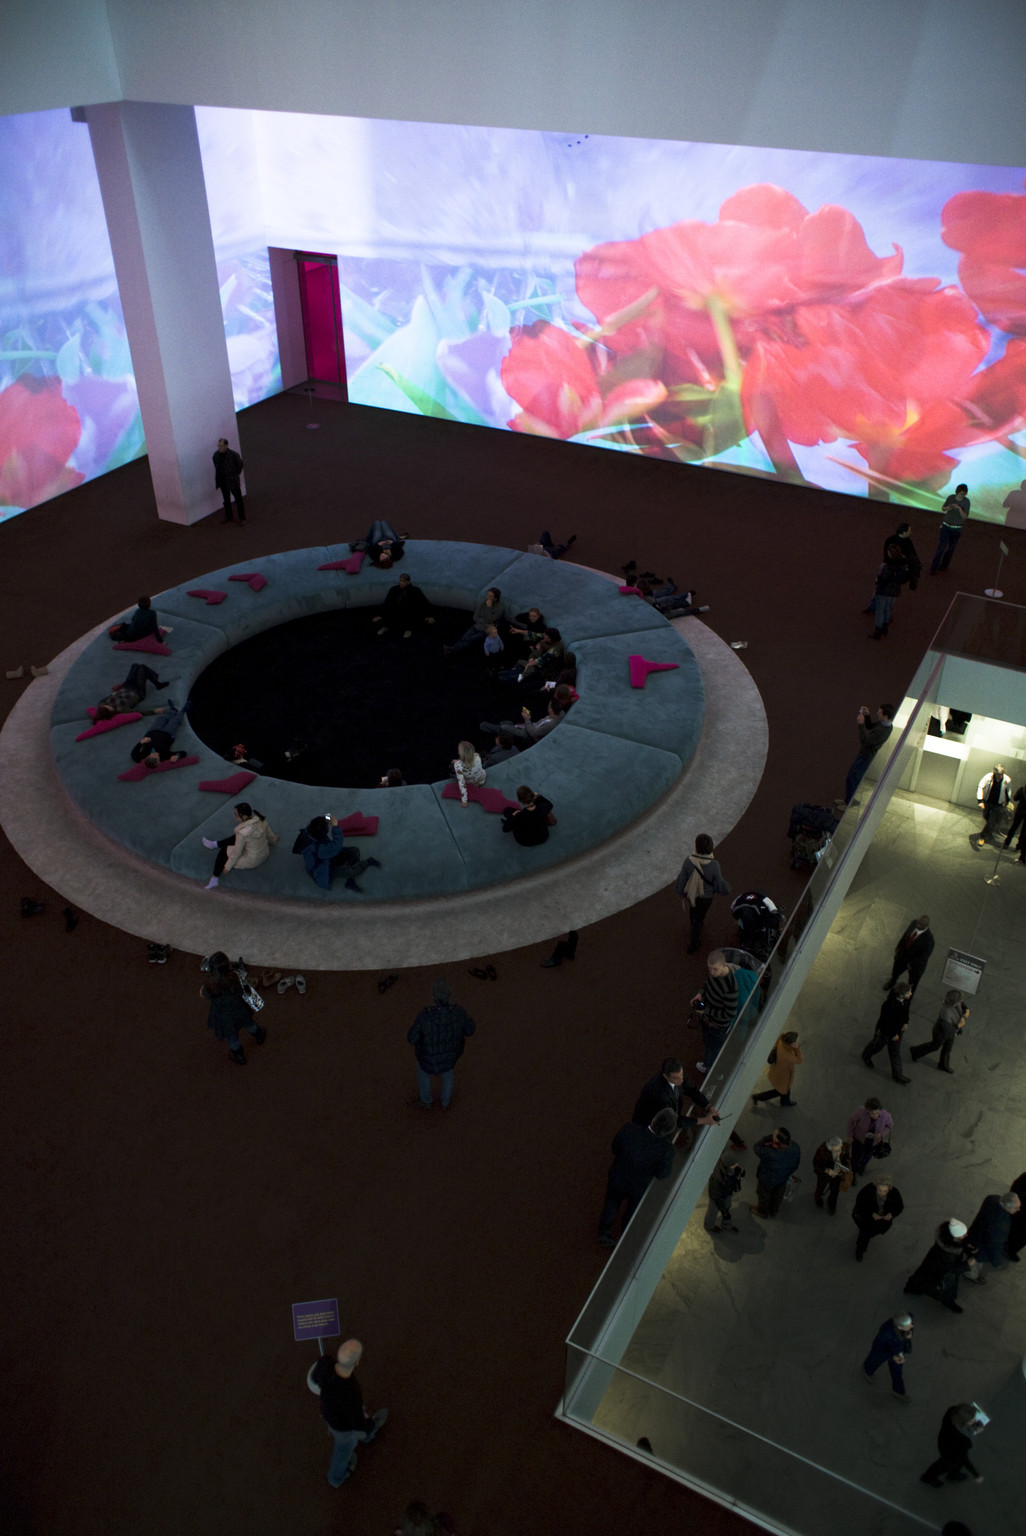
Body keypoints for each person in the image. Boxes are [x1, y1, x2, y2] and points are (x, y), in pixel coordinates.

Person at [307, 1338, 388, 1489]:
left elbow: (315, 1376)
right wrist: (368, 1425)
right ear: (356, 1362)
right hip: (344, 1429)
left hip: (332, 1418)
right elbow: (357, 1422)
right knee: (343, 1451)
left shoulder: (325, 1365)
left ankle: (368, 1435)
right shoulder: (349, 1393)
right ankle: (336, 1478)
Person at [597, 1108, 676, 1247]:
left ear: (654, 1119)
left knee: (611, 1205)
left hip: (617, 1178)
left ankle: (603, 1232)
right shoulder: (666, 1150)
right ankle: (624, 1238)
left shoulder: (630, 1129)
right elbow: (662, 1174)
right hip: (638, 1188)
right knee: (631, 1213)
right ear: (668, 1132)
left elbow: (615, 1148)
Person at [407, 979, 475, 1109]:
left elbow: (411, 1038)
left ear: (434, 996)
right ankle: (445, 1102)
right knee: (448, 1073)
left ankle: (426, 1100)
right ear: (449, 994)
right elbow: (470, 1030)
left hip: (427, 1059)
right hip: (451, 1057)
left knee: (423, 1072)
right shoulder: (458, 1012)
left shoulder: (424, 1016)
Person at [201, 950, 265, 1065]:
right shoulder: (234, 977)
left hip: (222, 1014)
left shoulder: (210, 984)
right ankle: (259, 1035)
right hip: (238, 1008)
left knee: (231, 1036)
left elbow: (203, 994)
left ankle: (239, 1056)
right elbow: (241, 991)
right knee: (249, 1023)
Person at [292, 814, 381, 892]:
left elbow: (324, 819)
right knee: (351, 871)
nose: (328, 827)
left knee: (354, 851)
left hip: (326, 858)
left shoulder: (311, 830)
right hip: (323, 869)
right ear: (322, 832)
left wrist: (329, 818)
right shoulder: (318, 849)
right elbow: (336, 846)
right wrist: (335, 827)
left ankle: (350, 879)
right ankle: (368, 862)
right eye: (327, 828)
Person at [674, 833, 731, 954]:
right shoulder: (714, 865)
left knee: (693, 911)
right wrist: (726, 888)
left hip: (692, 895)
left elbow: (682, 878)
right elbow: (718, 882)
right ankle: (694, 940)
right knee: (700, 916)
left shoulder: (689, 862)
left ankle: (694, 922)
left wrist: (679, 892)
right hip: (706, 898)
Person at [201, 802, 278, 888]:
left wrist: (227, 867)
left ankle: (214, 878)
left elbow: (236, 852)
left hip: (252, 860)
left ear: (244, 816)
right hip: (264, 853)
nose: (234, 816)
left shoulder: (243, 833)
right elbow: (269, 834)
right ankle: (215, 844)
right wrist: (274, 840)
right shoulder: (261, 820)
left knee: (224, 851)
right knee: (237, 837)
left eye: (236, 815)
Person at [904, 1218, 975, 1313]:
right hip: (939, 1273)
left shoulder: (945, 1240)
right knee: (946, 1289)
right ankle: (947, 1301)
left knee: (922, 1277)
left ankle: (912, 1287)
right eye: (963, 1235)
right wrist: (967, 1264)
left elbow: (959, 1244)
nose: (966, 1235)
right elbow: (950, 1271)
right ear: (955, 1238)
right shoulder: (948, 1255)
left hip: (930, 1264)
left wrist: (966, 1246)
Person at [632, 1057, 719, 1133]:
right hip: (649, 1124)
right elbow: (675, 1120)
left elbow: (691, 1090)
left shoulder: (678, 1075)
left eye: (682, 1075)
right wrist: (705, 1120)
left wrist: (709, 1106)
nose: (681, 1080)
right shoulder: (659, 1095)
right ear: (666, 1076)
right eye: (676, 1078)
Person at [691, 950, 739, 1075]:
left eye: (715, 969)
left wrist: (706, 1010)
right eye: (710, 968)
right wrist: (700, 994)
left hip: (717, 1026)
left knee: (714, 1050)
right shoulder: (714, 974)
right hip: (707, 1019)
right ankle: (709, 1065)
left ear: (724, 965)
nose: (712, 972)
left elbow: (730, 1013)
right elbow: (707, 984)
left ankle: (713, 1073)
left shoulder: (730, 987)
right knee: (709, 1045)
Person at [840, 703, 894, 807]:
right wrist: (867, 716)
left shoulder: (881, 731)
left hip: (865, 757)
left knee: (852, 778)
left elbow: (865, 742)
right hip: (865, 756)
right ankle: (848, 800)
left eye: (879, 712)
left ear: (885, 715)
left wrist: (860, 725)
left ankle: (848, 803)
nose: (877, 713)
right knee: (853, 777)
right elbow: (870, 726)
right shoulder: (885, 724)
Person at [920, 1403, 985, 1487]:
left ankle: (953, 1475)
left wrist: (972, 1424)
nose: (975, 1420)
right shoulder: (962, 1439)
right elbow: (964, 1459)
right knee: (943, 1465)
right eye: (971, 1420)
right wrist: (976, 1475)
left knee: (954, 1464)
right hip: (951, 1453)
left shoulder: (952, 1411)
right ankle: (927, 1478)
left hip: (943, 1440)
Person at [861, 983, 912, 1083]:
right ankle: (866, 1055)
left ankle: (898, 1075)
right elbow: (886, 1023)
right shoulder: (889, 1005)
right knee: (877, 1046)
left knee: (895, 1053)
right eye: (909, 992)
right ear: (902, 994)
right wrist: (893, 1035)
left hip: (897, 1031)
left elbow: (906, 1012)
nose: (911, 993)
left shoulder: (906, 1001)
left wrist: (906, 1022)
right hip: (886, 1032)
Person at [479, 690, 569, 746]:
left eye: (549, 706)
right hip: (532, 725)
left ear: (551, 710)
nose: (548, 707)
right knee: (508, 723)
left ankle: (489, 728)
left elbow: (533, 733)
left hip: (528, 735)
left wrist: (527, 719)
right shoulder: (560, 713)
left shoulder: (550, 725)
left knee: (504, 727)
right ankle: (499, 727)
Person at [909, 989, 969, 1072]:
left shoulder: (955, 1003)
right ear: (955, 1002)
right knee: (935, 1046)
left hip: (950, 1031)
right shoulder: (946, 1013)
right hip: (942, 1032)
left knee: (948, 1047)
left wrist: (966, 1010)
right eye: (960, 1000)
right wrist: (959, 1025)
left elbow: (963, 1004)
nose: (961, 1001)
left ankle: (943, 1064)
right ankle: (916, 1051)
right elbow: (947, 1028)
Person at [749, 1127, 800, 1219]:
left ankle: (762, 1212)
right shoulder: (795, 1147)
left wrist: (769, 1138)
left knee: (763, 1195)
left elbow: (756, 1147)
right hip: (783, 1178)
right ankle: (774, 1210)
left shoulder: (772, 1154)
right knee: (778, 1195)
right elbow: (796, 1165)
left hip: (767, 1178)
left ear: (778, 1142)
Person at [862, 1312, 914, 1402]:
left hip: (897, 1350)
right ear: (900, 1327)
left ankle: (898, 1391)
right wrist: (892, 1356)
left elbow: (911, 1325)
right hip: (887, 1351)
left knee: (897, 1372)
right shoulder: (886, 1334)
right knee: (874, 1361)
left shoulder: (908, 1319)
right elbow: (878, 1348)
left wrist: (910, 1334)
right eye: (908, 1326)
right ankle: (867, 1370)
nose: (911, 1326)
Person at [852, 1175, 904, 1262]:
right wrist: (871, 1214)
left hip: (882, 1222)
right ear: (876, 1186)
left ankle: (864, 1241)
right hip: (866, 1219)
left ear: (890, 1188)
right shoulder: (868, 1191)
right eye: (880, 1190)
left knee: (869, 1233)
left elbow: (899, 1207)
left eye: (885, 1191)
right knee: (865, 1234)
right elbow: (860, 1204)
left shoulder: (894, 1193)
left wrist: (891, 1214)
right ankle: (860, 1249)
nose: (882, 1193)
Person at [966, 1191, 1020, 1273]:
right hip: (981, 1247)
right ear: (1007, 1207)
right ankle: (970, 1273)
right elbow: (994, 1246)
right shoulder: (1001, 1226)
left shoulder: (992, 1198)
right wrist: (996, 1263)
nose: (1018, 1209)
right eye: (1016, 1208)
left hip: (975, 1234)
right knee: (974, 1266)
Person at [129, 697, 190, 766]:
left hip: (153, 732)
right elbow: (183, 753)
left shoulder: (142, 756)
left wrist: (141, 743)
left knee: (162, 718)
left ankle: (172, 710)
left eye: (154, 755)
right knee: (174, 721)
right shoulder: (163, 756)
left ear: (147, 757)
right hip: (167, 735)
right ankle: (183, 711)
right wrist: (177, 756)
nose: (157, 754)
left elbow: (133, 755)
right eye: (158, 757)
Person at [95, 662, 170, 719]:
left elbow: (100, 702)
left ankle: (155, 680)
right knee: (142, 668)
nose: (106, 705)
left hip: (126, 687)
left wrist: (112, 694)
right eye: (107, 707)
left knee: (135, 666)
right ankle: (158, 684)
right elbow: (138, 713)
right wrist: (154, 712)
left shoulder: (103, 704)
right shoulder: (122, 710)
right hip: (138, 691)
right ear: (110, 711)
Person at [371, 571, 435, 636]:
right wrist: (380, 615)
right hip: (396, 609)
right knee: (390, 609)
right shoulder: (394, 589)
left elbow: (424, 602)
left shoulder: (415, 590)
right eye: (400, 581)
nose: (401, 582)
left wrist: (429, 615)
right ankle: (386, 627)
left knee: (411, 613)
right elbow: (387, 602)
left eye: (404, 581)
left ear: (408, 582)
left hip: (409, 611)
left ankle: (408, 629)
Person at [868, 540, 909, 638]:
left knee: (880, 611)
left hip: (884, 591)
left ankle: (878, 631)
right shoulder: (902, 565)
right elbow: (904, 578)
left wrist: (878, 580)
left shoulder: (890, 566)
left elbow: (883, 578)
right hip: (894, 591)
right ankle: (885, 627)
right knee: (888, 609)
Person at [883, 915, 934, 995]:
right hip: (903, 956)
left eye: (921, 925)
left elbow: (923, 957)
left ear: (926, 926)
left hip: (915, 965)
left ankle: (908, 996)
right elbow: (905, 936)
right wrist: (898, 948)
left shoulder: (929, 940)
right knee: (896, 971)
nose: (918, 925)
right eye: (918, 923)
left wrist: (911, 964)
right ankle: (892, 982)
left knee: (912, 982)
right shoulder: (914, 923)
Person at [751, 1030, 803, 1108]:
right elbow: (800, 1060)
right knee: (782, 1090)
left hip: (777, 1068)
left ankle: (785, 1102)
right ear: (792, 1044)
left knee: (785, 1089)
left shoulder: (781, 1040)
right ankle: (758, 1097)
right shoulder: (787, 1055)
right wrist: (797, 1048)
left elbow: (775, 1047)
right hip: (783, 1074)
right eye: (797, 1040)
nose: (799, 1040)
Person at [847, 1097, 893, 1180]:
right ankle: (853, 1172)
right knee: (855, 1158)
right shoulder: (861, 1112)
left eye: (877, 1113)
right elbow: (851, 1121)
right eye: (872, 1113)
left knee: (867, 1156)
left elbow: (889, 1125)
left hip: (873, 1142)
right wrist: (850, 1136)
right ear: (867, 1111)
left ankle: (862, 1166)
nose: (875, 1115)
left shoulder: (886, 1115)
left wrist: (881, 1134)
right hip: (859, 1140)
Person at [445, 587, 502, 652]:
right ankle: (452, 649)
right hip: (477, 626)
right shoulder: (483, 603)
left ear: (495, 599)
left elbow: (489, 619)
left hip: (486, 630)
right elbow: (475, 617)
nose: (488, 598)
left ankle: (453, 649)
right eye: (488, 595)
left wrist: (489, 607)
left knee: (469, 639)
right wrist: (485, 622)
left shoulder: (499, 609)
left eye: (490, 596)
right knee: (464, 638)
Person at [930, 483, 971, 573]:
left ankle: (944, 566)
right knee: (941, 547)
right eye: (961, 494)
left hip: (957, 529)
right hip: (946, 526)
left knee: (950, 548)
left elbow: (964, 517)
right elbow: (943, 508)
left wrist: (959, 508)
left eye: (964, 494)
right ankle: (934, 568)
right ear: (957, 492)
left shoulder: (966, 502)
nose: (962, 496)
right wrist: (948, 508)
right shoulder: (951, 498)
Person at [974, 762, 1011, 848]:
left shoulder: (1007, 779)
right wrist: (980, 801)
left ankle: (982, 837)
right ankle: (990, 829)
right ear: (994, 772)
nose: (1000, 776)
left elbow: (1008, 790)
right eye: (999, 774)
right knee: (986, 816)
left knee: (991, 821)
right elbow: (980, 787)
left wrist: (1008, 800)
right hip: (987, 801)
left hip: (998, 804)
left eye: (1002, 774)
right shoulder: (988, 777)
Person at [812, 1135, 851, 1214]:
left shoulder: (844, 1147)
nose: (838, 1153)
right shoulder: (822, 1152)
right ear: (830, 1149)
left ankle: (832, 1205)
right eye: (836, 1151)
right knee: (820, 1188)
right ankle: (818, 1199)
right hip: (825, 1175)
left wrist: (846, 1167)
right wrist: (827, 1170)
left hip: (838, 1174)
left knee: (835, 1191)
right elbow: (817, 1166)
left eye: (839, 1150)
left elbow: (847, 1158)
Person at [708, 1154, 744, 1233]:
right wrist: (724, 1211)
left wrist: (739, 1176)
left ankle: (726, 1225)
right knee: (712, 1212)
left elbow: (732, 1179)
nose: (736, 1165)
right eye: (734, 1164)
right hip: (717, 1198)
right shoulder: (717, 1178)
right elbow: (715, 1195)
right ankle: (709, 1225)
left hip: (727, 1193)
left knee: (727, 1208)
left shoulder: (731, 1169)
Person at [213, 438, 245, 522]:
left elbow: (240, 465)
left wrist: (234, 475)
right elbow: (217, 467)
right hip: (223, 481)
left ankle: (242, 518)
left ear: (226, 446)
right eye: (218, 446)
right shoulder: (216, 455)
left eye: (221, 446)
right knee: (226, 500)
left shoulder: (234, 455)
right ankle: (229, 516)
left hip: (232, 481)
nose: (219, 448)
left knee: (238, 500)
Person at [451, 740, 486, 806]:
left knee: (456, 776)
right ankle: (477, 784)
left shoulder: (457, 765)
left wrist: (464, 800)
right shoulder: (477, 755)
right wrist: (458, 761)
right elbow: (468, 760)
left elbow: (462, 783)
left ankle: (473, 785)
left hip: (469, 782)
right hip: (482, 779)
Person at [1005, 1171, 1026, 1262]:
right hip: (1019, 1213)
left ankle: (1010, 1249)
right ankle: (1009, 1250)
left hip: (1019, 1211)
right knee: (1019, 1235)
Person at [1001, 781, 1026, 854]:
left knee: (1014, 827)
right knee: (1024, 831)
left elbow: (1015, 798)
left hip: (1020, 811)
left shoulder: (1022, 789)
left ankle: (1006, 843)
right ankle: (1018, 847)